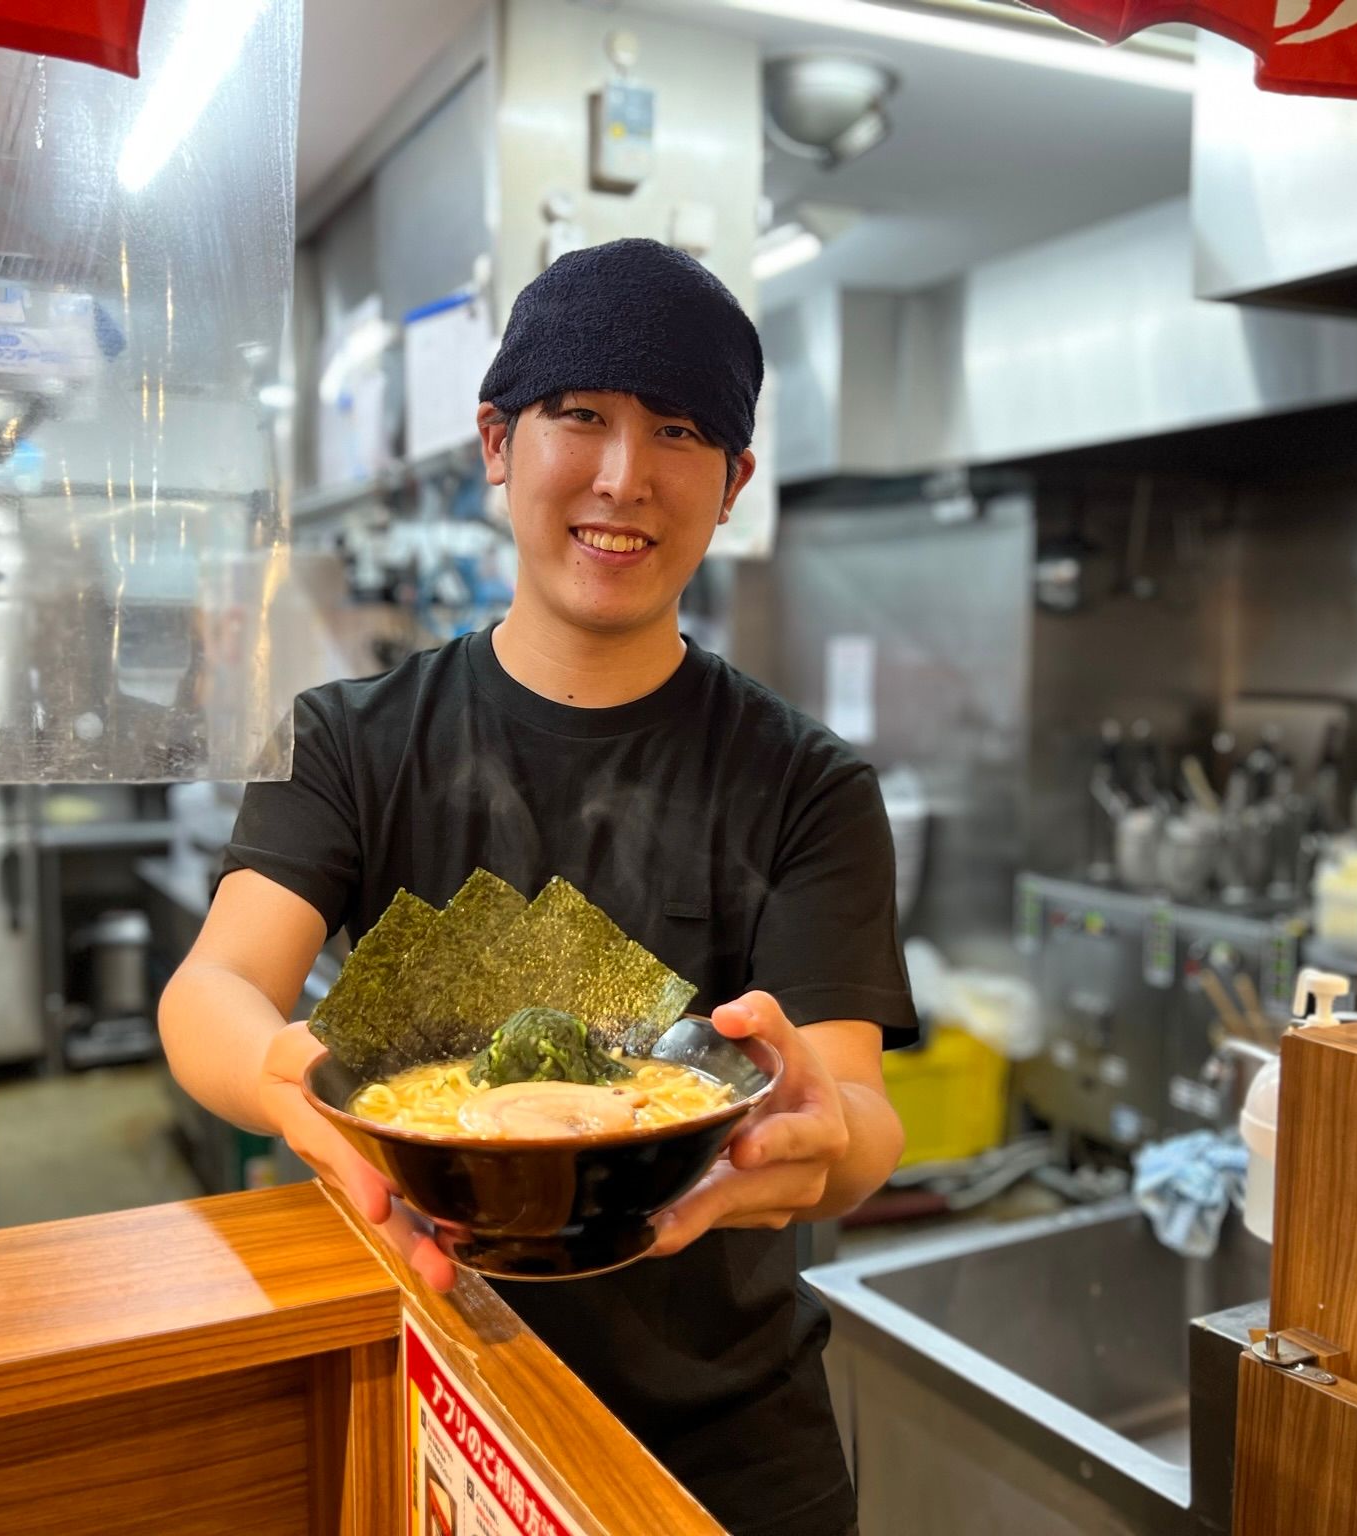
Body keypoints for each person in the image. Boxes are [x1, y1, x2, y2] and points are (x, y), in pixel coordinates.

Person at [159, 238, 913, 1536]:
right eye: (579, 416)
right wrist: (292, 1080)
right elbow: (212, 989)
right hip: (432, 1390)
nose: (624, 477)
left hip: (729, 1447)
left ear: (732, 483)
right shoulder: (351, 740)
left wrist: (823, 1134)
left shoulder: (806, 783)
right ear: (498, 442)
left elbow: (855, 1115)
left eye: (679, 432)